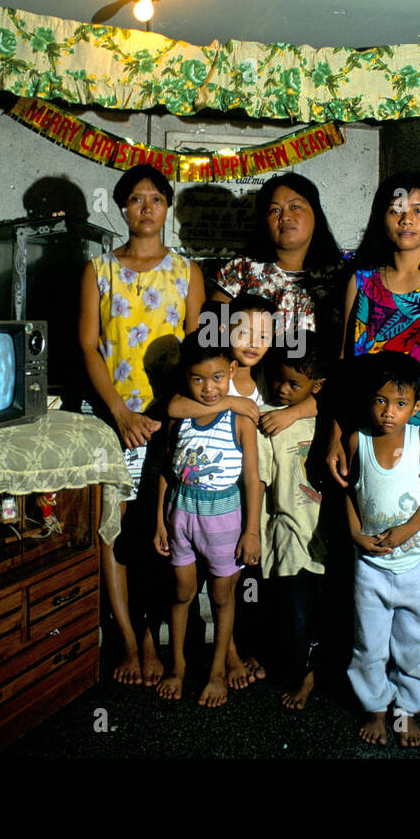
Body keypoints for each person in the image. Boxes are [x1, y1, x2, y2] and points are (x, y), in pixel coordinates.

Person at [327, 171, 420, 679]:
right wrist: (333, 437)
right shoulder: (361, 280)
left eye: (418, 209)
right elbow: (345, 369)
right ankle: (371, 675)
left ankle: (419, 675)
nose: (406, 219)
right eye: (396, 209)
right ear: (381, 218)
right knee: (371, 553)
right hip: (370, 440)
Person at [77, 163, 205, 687]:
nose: (146, 207)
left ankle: (153, 639)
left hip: (169, 422)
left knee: (161, 532)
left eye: (156, 198)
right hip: (114, 420)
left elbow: (199, 352)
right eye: (136, 199)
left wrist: (166, 413)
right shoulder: (98, 269)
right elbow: (87, 344)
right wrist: (121, 413)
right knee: (115, 533)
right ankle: (127, 642)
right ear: (121, 207)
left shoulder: (187, 271)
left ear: (167, 208)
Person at [166, 291, 275, 687]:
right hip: (187, 508)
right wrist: (226, 400)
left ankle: (231, 657)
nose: (253, 341)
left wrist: (252, 529)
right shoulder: (211, 387)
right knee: (189, 589)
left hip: (236, 507)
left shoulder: (267, 376)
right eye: (243, 331)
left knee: (232, 591)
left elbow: (316, 394)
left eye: (263, 334)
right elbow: (175, 410)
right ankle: (207, 662)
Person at [153, 334, 261, 707]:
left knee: (221, 595)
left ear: (231, 370)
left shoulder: (240, 418)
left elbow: (251, 480)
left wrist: (251, 531)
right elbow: (167, 471)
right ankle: (178, 668)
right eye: (198, 378)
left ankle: (216, 671)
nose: (209, 387)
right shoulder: (178, 416)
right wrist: (159, 522)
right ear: (185, 376)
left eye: (217, 377)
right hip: (180, 514)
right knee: (181, 592)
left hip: (224, 519)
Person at [343, 352, 420, 747]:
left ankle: (406, 712)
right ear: (369, 400)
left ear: (415, 406)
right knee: (369, 641)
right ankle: (375, 710)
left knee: (412, 642)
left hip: (413, 562)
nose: (389, 412)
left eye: (401, 404)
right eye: (380, 400)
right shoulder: (359, 441)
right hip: (370, 565)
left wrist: (408, 530)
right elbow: (347, 494)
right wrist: (353, 533)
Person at [213, 172, 344, 381]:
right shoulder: (242, 269)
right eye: (274, 210)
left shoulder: (341, 275)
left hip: (315, 393)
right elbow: (210, 329)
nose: (284, 217)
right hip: (247, 388)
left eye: (295, 206)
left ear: (315, 213)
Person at [257, 335, 329, 709]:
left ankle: (318, 671)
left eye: (293, 384)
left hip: (327, 533)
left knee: (325, 610)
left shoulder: (332, 417)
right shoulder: (269, 422)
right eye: (278, 380)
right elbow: (262, 481)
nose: (281, 389)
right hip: (288, 533)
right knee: (293, 610)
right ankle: (302, 673)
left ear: (317, 387)